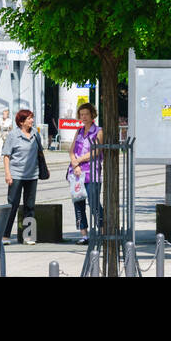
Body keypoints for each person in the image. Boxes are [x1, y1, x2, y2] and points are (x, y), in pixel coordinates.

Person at [2, 108, 42, 244]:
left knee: (30, 206)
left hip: (32, 175)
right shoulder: (13, 135)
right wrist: (8, 173)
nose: (32, 120)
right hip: (16, 175)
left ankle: (28, 236)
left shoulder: (36, 134)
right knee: (12, 205)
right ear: (21, 121)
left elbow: (39, 152)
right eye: (29, 118)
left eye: (32, 117)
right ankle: (5, 235)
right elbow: (6, 155)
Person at [67, 102, 104, 245]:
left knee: (94, 203)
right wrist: (74, 163)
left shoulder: (98, 131)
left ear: (92, 115)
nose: (84, 117)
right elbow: (71, 150)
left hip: (92, 173)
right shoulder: (79, 131)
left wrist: (78, 161)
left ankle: (102, 232)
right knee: (78, 202)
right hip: (76, 173)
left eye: (86, 114)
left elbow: (96, 151)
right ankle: (84, 234)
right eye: (81, 114)